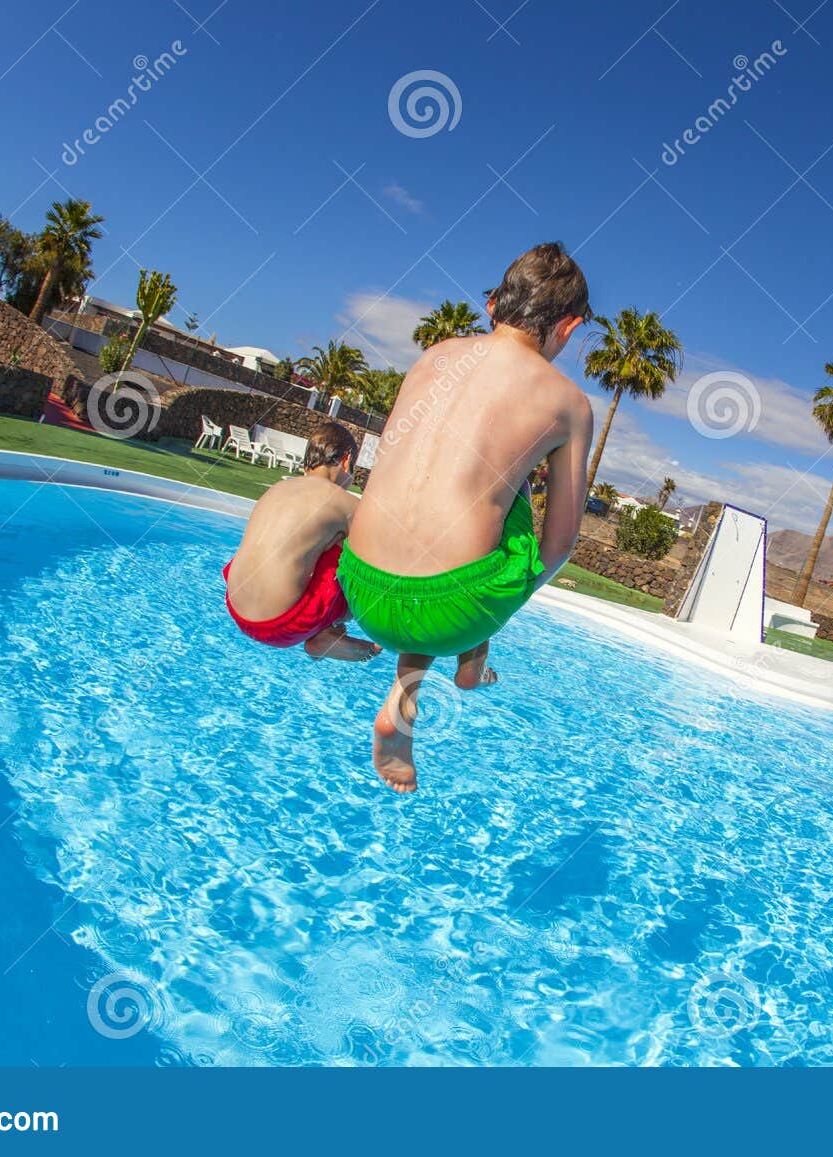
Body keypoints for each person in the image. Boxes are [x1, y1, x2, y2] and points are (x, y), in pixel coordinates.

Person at [338, 242, 595, 792]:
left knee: (451, 505)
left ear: (493, 307)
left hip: (360, 585)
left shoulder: (435, 355)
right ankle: (464, 663)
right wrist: (497, 613)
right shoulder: (569, 403)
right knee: (509, 511)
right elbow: (562, 545)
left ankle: (423, 688)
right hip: (455, 611)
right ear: (568, 328)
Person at [223, 421, 381, 663]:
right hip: (282, 626)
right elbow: (378, 560)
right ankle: (324, 635)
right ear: (347, 460)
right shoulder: (344, 503)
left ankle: (324, 629)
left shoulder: (277, 488)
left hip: (236, 607)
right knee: (353, 551)